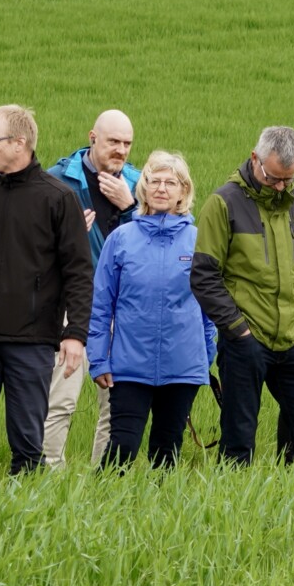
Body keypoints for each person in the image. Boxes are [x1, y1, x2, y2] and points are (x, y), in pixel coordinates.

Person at [0, 105, 93, 476]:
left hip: (31, 340)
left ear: (20, 142)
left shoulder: (58, 198)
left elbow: (79, 271)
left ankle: (23, 513)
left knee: (28, 441)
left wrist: (75, 333)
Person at [191, 125, 294, 465]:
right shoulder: (223, 203)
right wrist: (238, 329)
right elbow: (204, 275)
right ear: (255, 159)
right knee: (239, 440)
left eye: (290, 178)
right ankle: (236, 511)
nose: (282, 186)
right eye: (273, 178)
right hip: (245, 343)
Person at [86, 151, 217, 468]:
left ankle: (160, 515)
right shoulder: (121, 239)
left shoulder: (199, 242)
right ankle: (105, 510)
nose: (161, 188)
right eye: (154, 181)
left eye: (170, 182)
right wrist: (99, 358)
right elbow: (101, 304)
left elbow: (211, 306)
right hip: (129, 364)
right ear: (143, 188)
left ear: (183, 191)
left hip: (182, 366)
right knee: (122, 448)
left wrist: (206, 353)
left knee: (167, 448)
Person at [41, 109, 139, 465]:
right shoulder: (58, 181)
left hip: (122, 307)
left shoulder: (138, 183)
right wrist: (67, 238)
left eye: (127, 143)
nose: (121, 150)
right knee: (60, 399)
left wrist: (129, 207)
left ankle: (104, 480)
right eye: (113, 141)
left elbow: (155, 244)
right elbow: (31, 247)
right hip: (71, 304)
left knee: (116, 402)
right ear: (92, 137)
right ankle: (47, 477)